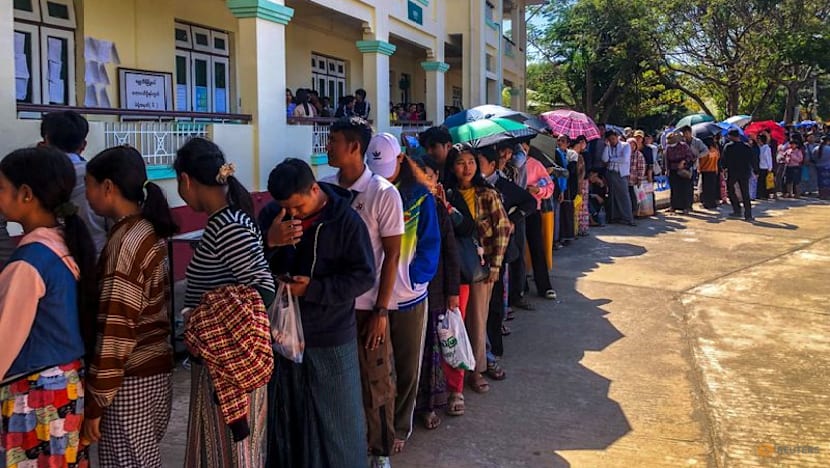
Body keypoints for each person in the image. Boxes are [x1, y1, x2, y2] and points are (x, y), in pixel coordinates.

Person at [259, 158, 375, 468]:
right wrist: (270, 242)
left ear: (314, 189)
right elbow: (251, 266)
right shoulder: (273, 216)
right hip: (282, 336)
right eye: (286, 208)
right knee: (288, 418)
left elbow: (364, 276)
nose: (292, 214)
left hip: (331, 335)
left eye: (298, 207)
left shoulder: (346, 221)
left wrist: (314, 289)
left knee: (337, 424)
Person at [175, 138, 276, 467]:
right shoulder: (227, 220)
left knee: (231, 454)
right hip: (222, 363)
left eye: (179, 183)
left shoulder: (229, 226)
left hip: (229, 366)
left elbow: (263, 289)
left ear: (186, 180)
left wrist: (206, 319)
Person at [0, 146, 97, 468]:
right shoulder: (63, 244)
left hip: (34, 394)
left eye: (1, 188)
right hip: (64, 389)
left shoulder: (29, 263)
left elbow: (3, 343)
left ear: (26, 194)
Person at [81, 146, 178, 467]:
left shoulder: (126, 243)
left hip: (131, 379)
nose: (87, 193)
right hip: (154, 372)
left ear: (108, 187)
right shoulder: (145, 230)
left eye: (89, 184)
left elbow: (117, 327)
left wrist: (98, 399)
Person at [320, 118, 404, 467]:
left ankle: (379, 452)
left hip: (368, 306)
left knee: (375, 381)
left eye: (334, 140)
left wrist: (381, 311)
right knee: (335, 383)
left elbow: (392, 254)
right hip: (331, 304)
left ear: (355, 147)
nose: (328, 146)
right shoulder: (323, 189)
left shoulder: (383, 193)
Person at [365, 133, 441, 454]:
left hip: (409, 297)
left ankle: (399, 425)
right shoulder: (366, 192)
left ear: (400, 160)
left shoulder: (421, 197)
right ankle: (376, 426)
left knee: (408, 365)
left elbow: (430, 244)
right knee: (377, 368)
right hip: (371, 297)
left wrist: (414, 278)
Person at [443, 146, 511, 395]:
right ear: (452, 167)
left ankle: (476, 371)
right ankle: (455, 375)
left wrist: (496, 265)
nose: (467, 167)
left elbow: (503, 228)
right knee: (455, 323)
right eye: (461, 163)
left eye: (471, 162)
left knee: (477, 321)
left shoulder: (487, 193)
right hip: (455, 266)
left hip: (482, 267)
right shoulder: (446, 194)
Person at [477, 145, 535, 376]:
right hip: (477, 255)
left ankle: (493, 350)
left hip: (498, 253)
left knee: (494, 305)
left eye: (477, 162)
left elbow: (529, 202)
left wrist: (511, 219)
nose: (472, 167)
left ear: (492, 165)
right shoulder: (470, 188)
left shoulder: (502, 186)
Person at [414, 156, 460, 425]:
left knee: (431, 350)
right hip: (405, 293)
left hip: (435, 291)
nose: (422, 180)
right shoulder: (401, 203)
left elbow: (451, 253)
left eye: (427, 175)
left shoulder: (439, 209)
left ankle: (429, 405)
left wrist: (452, 291)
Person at [40, 110, 108, 254]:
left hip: (53, 258)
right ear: (83, 145)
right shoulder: (100, 175)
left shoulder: (34, 175)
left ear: (45, 141)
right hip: (98, 256)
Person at [601, 130, 636, 225]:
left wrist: (611, 160)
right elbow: (604, 159)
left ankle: (628, 218)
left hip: (620, 173)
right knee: (612, 196)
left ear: (617, 137)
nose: (612, 141)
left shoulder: (625, 146)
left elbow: (624, 159)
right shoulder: (609, 147)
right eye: (610, 140)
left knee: (624, 196)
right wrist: (607, 147)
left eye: (613, 138)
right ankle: (614, 217)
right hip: (610, 173)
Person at [721, 129, 756, 221]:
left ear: (731, 136)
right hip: (744, 172)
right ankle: (748, 214)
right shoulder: (747, 147)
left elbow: (724, 160)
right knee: (745, 193)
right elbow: (752, 160)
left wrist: (724, 168)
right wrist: (755, 171)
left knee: (730, 190)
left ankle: (737, 209)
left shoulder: (728, 147)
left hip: (733, 172)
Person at [665, 132, 695, 215]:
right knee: (674, 189)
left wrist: (683, 162)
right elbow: (666, 159)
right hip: (672, 169)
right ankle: (673, 206)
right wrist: (667, 170)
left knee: (685, 189)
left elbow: (690, 156)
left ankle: (686, 207)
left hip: (683, 170)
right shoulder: (668, 148)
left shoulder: (684, 146)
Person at [680, 125, 709, 209]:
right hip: (684, 166)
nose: (685, 135)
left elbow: (706, 151)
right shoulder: (682, 142)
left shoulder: (697, 141)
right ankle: (684, 204)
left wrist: (697, 156)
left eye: (686, 133)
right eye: (683, 133)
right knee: (683, 185)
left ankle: (689, 204)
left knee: (690, 186)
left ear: (690, 132)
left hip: (693, 166)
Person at [699, 137, 721, 209]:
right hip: (714, 170)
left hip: (705, 170)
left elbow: (702, 161)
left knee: (705, 189)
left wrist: (699, 169)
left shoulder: (705, 151)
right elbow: (718, 158)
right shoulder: (715, 150)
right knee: (712, 188)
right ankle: (712, 203)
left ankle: (706, 203)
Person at [627, 138, 646, 215]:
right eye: (630, 145)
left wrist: (639, 179)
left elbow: (641, 168)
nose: (632, 147)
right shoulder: (625, 154)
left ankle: (635, 211)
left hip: (634, 180)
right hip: (625, 179)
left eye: (633, 145)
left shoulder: (639, 155)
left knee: (634, 196)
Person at [758, 134, 773, 200]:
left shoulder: (767, 148)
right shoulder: (760, 148)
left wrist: (770, 168)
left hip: (765, 167)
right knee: (761, 182)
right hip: (760, 166)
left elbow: (769, 158)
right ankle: (761, 194)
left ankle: (765, 195)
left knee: (765, 182)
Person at [814, 135, 830, 199]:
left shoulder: (816, 148)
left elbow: (814, 157)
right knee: (827, 182)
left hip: (819, 166)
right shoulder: (829, 149)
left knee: (820, 181)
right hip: (828, 166)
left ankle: (821, 194)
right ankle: (827, 195)